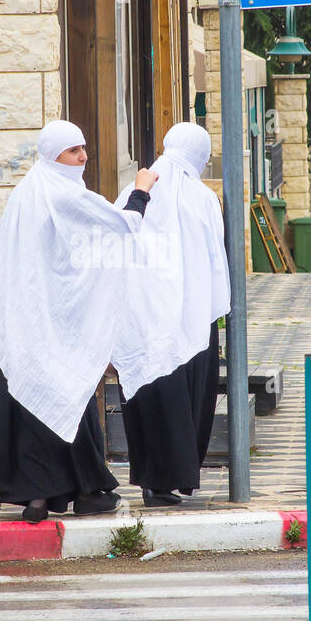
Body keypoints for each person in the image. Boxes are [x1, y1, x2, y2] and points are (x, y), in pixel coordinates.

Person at [0, 120, 158, 523]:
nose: (83, 157)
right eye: (73, 150)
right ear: (52, 153)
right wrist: (142, 189)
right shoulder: (62, 194)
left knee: (35, 403)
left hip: (23, 320)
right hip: (51, 323)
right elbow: (123, 225)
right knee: (63, 398)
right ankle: (63, 493)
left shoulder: (29, 189)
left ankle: (55, 494)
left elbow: (7, 261)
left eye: (83, 148)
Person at [112, 122, 231, 506]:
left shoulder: (137, 190)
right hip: (193, 316)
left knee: (150, 391)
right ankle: (176, 478)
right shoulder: (202, 198)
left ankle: (151, 479)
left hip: (144, 316)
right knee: (190, 394)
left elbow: (116, 239)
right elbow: (216, 256)